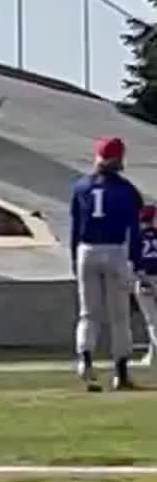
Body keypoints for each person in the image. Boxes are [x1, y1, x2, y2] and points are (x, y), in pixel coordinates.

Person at [70, 135, 143, 393]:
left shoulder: (80, 187)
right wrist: (135, 261)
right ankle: (120, 372)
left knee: (88, 313)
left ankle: (85, 361)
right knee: (119, 317)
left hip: (86, 250)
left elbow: (75, 228)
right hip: (114, 251)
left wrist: (73, 259)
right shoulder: (127, 191)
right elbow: (134, 231)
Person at [135, 202, 157, 367]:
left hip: (145, 277)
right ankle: (153, 354)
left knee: (152, 321)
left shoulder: (137, 237)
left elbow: (134, 261)